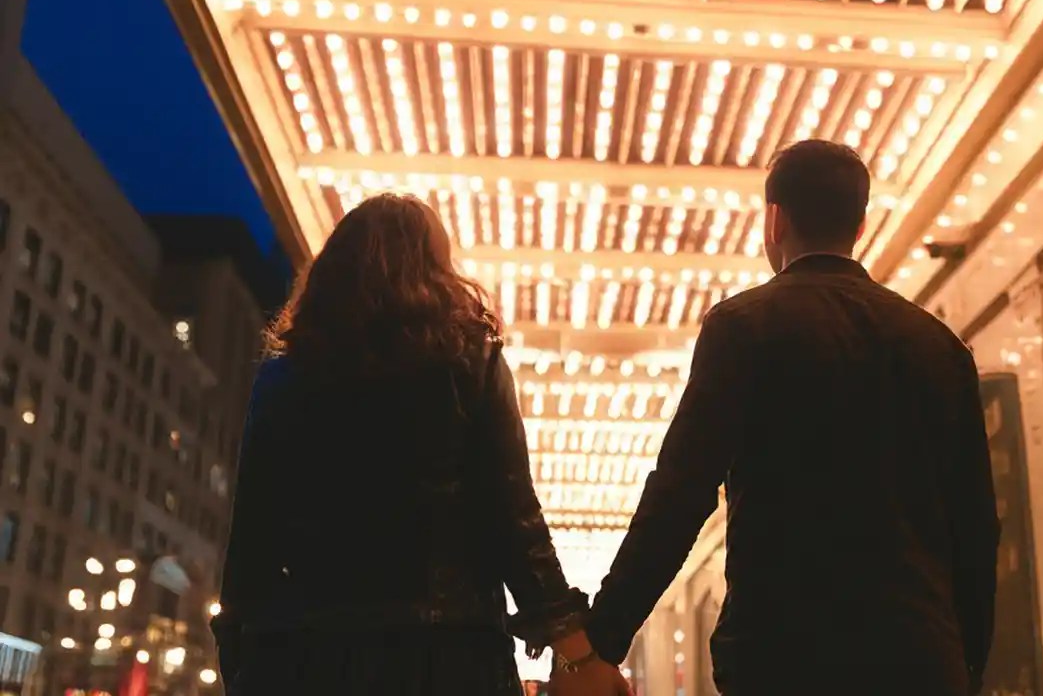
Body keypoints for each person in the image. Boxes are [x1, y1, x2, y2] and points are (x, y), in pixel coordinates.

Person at [571, 140, 1001, 695]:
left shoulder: (743, 327)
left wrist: (601, 642)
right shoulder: (941, 347)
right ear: (860, 224)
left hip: (782, 658)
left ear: (774, 221)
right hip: (918, 661)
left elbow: (680, 494)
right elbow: (975, 526)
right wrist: (966, 663)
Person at [211, 194, 628, 695]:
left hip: (309, 654)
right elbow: (514, 519)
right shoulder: (470, 362)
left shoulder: (284, 378)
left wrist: (238, 649)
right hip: (450, 654)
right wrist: (576, 651)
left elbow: (254, 533)